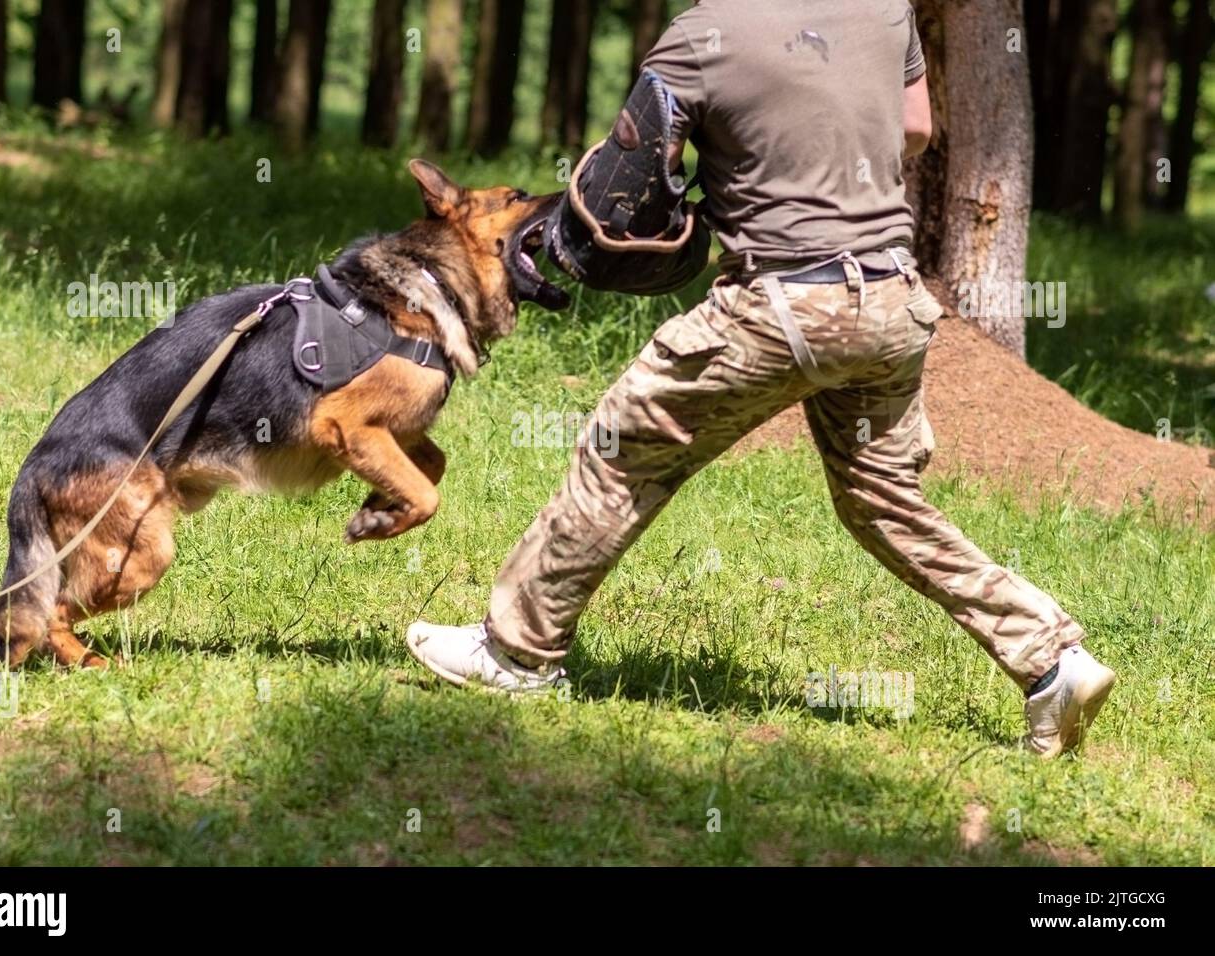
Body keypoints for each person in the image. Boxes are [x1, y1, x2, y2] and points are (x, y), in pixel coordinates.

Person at [406, 0, 1116, 758]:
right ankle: (1050, 660)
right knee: (885, 501)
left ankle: (516, 654)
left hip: (781, 306)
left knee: (621, 448)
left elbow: (630, 182)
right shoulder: (885, 9)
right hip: (891, 299)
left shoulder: (698, 36)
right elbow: (915, 132)